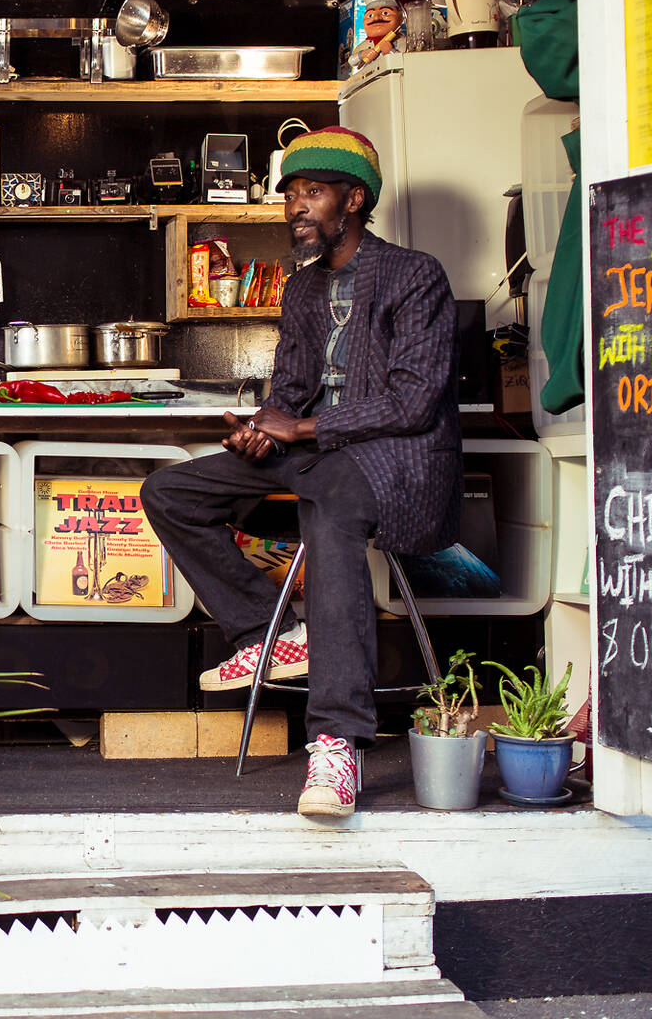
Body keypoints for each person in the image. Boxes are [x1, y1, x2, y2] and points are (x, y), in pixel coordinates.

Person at [140, 126, 462, 818]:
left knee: (332, 504)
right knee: (169, 490)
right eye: (290, 193)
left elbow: (413, 402)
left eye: (313, 192)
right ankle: (271, 635)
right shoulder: (303, 290)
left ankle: (337, 744)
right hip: (317, 452)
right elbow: (289, 389)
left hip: (395, 461)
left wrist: (302, 428)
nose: (296, 206)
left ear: (354, 199)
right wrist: (263, 429)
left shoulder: (416, 276)